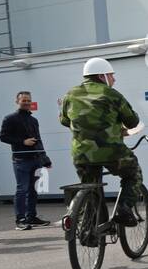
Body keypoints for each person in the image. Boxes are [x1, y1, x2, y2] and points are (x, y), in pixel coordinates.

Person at [59, 58, 143, 227]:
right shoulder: (111, 94)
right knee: (133, 173)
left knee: (91, 188)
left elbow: (64, 120)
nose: (114, 79)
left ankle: (90, 233)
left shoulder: (70, 94)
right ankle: (124, 208)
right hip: (111, 151)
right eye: (111, 76)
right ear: (102, 76)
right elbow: (132, 121)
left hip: (82, 154)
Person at [0, 91, 52, 229]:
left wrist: (45, 159)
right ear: (17, 101)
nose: (27, 103)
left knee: (33, 190)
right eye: (24, 100)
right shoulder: (10, 118)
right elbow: (3, 137)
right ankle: (20, 220)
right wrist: (23, 142)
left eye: (28, 100)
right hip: (20, 160)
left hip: (36, 159)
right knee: (22, 189)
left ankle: (31, 217)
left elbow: (38, 140)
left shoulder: (33, 120)